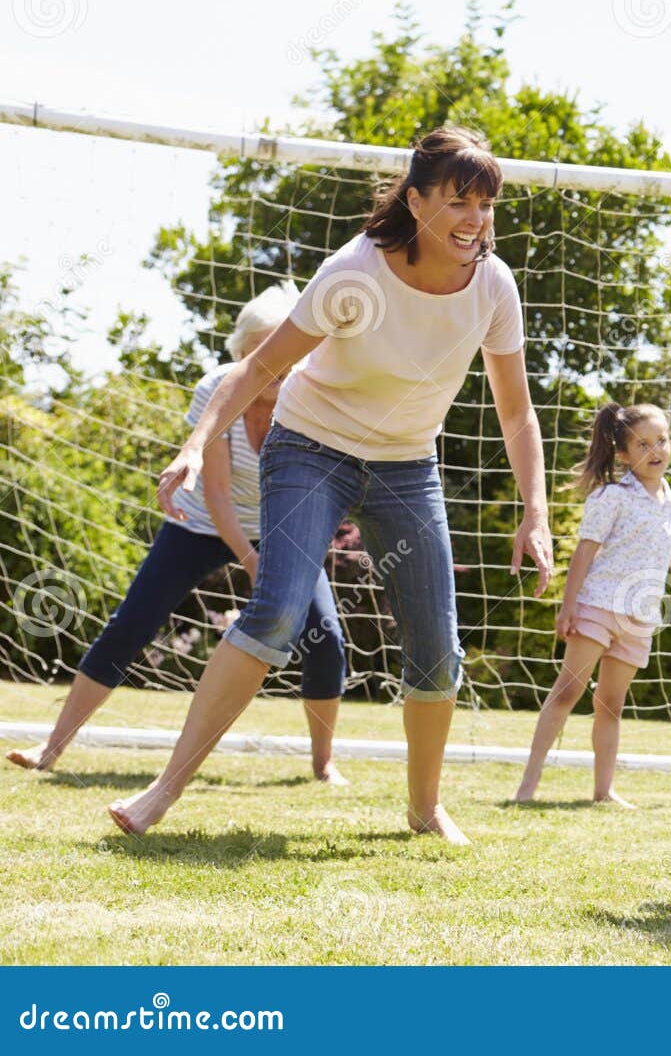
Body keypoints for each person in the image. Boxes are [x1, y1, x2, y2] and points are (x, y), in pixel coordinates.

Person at [108, 125, 555, 845]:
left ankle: (425, 806)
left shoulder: (494, 286)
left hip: (407, 465)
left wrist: (535, 510)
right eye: (459, 201)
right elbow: (256, 370)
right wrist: (196, 444)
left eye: (487, 203)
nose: (477, 219)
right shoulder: (355, 272)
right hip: (311, 447)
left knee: (437, 648)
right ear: (416, 201)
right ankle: (165, 788)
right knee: (279, 611)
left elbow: (516, 409)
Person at [7, 285, 349, 783]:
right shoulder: (219, 388)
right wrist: (251, 562)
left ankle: (324, 764)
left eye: (284, 344)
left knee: (326, 636)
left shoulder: (310, 395)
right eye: (260, 347)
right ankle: (52, 746)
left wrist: (275, 559)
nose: (274, 359)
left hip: (282, 527)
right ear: (241, 354)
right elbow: (216, 491)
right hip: (200, 523)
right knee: (133, 622)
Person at [513, 402, 671, 807]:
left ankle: (603, 792)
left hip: (640, 619)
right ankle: (526, 788)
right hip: (598, 606)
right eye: (642, 444)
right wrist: (568, 607)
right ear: (623, 454)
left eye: (661, 440)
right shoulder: (612, 496)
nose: (655, 450)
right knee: (568, 691)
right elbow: (584, 554)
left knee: (611, 705)